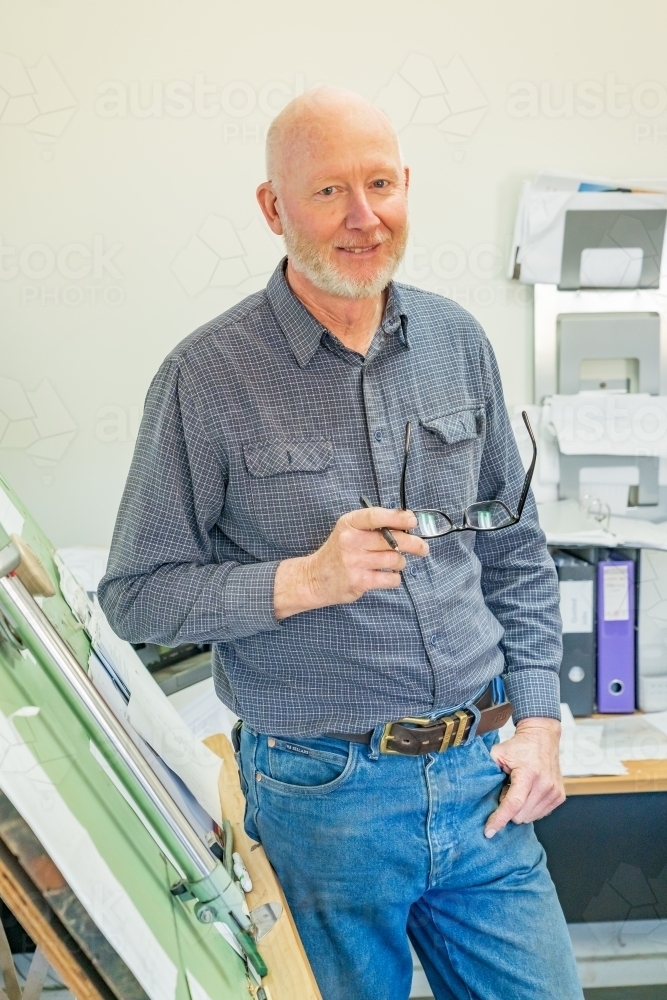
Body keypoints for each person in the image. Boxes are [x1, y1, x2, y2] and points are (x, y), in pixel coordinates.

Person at [98, 87, 583, 1000]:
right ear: (272, 207)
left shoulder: (456, 340)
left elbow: (515, 554)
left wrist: (539, 721)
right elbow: (135, 595)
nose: (364, 217)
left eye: (381, 185)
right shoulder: (205, 377)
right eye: (328, 192)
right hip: (324, 797)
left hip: (483, 777)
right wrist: (300, 581)